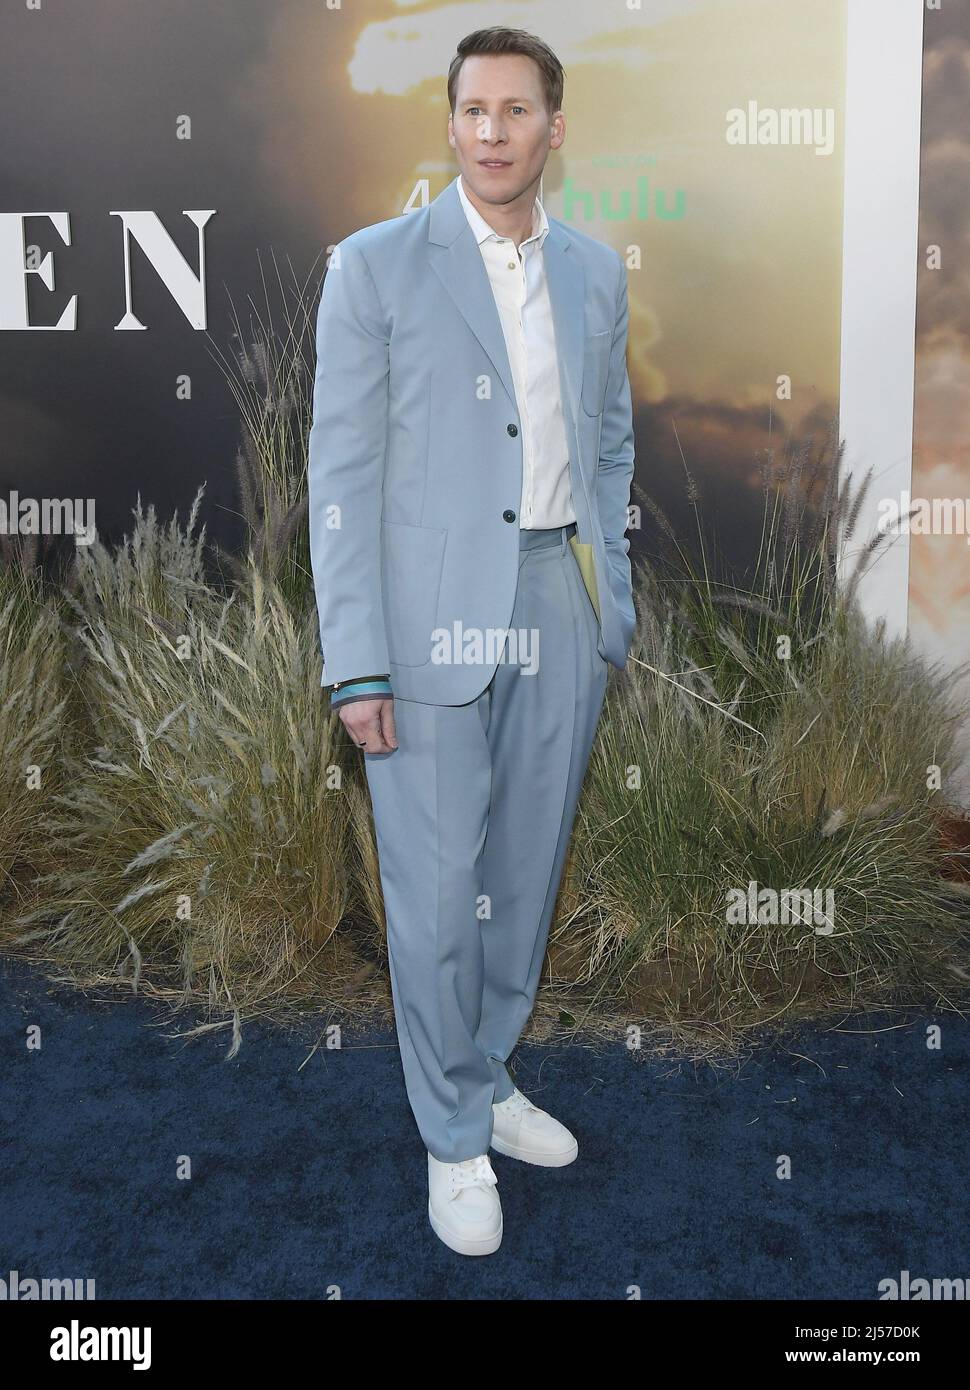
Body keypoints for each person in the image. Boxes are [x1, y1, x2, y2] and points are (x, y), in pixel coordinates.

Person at [308, 25, 636, 1256]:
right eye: (473, 110)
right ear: (448, 126)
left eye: (517, 110)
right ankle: (449, 1136)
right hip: (424, 623)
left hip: (559, 598)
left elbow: (609, 448)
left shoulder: (599, 276)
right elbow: (336, 473)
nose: (493, 131)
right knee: (439, 898)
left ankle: (487, 1076)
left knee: (522, 882)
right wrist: (358, 661)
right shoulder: (376, 268)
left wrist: (614, 605)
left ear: (556, 127)